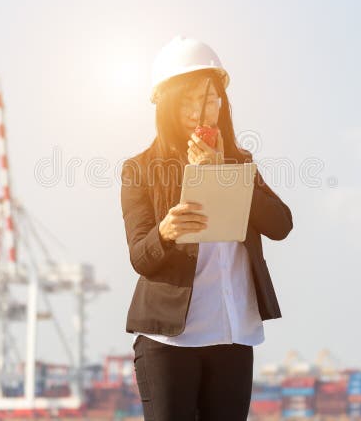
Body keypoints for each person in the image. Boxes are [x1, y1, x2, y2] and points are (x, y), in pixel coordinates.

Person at [120, 35, 293, 420]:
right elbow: (140, 257)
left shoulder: (239, 162)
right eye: (190, 99)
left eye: (212, 98)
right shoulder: (140, 168)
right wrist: (164, 232)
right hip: (169, 341)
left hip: (233, 337)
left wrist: (227, 175)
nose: (203, 110)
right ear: (166, 105)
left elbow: (281, 224)